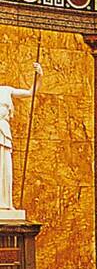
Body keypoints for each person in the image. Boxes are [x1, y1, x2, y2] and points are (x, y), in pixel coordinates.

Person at [0, 61, 43, 211]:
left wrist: (39, 75)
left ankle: (5, 203)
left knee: (5, 166)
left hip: (3, 131)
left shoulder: (6, 90)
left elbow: (31, 92)